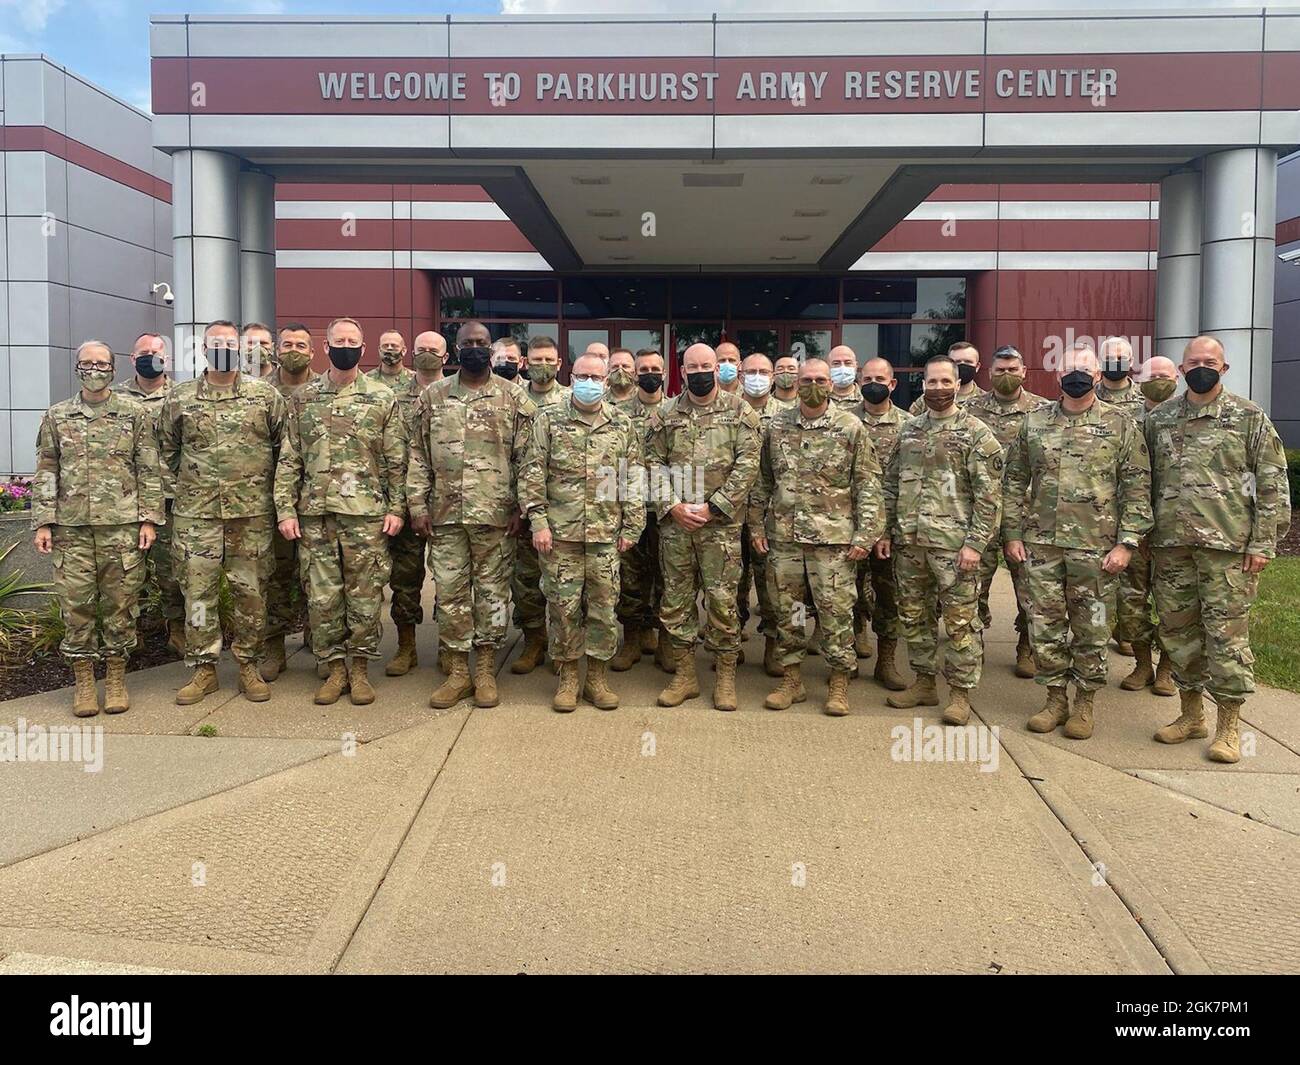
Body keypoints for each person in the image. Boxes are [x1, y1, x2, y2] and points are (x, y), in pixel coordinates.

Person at [1145, 336, 1291, 763]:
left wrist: (1263, 542)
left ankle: (1229, 724)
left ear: (1224, 369)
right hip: (1171, 547)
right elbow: (1142, 480)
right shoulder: (1161, 419)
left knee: (1226, 637)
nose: (1202, 367)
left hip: (1227, 549)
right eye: (1195, 362)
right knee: (1177, 632)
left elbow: (1271, 483)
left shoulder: (1248, 418)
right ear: (1181, 368)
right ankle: (1191, 715)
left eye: (1211, 361)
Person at [1002, 342, 1152, 739]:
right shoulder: (1034, 423)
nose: (1077, 377)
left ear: (1099, 376)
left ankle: (1084, 703)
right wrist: (1012, 533)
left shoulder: (1121, 425)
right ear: (1056, 377)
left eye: (1085, 370)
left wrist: (1127, 543)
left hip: (1097, 547)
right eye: (1069, 370)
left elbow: (1137, 487)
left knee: (1092, 629)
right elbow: (1014, 480)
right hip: (1042, 545)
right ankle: (1054, 699)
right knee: (1045, 627)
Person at [275, 317, 407, 706]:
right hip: (315, 514)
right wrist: (285, 510)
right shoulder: (303, 398)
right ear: (327, 347)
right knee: (322, 597)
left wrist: (397, 506)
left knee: (365, 595)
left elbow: (396, 459)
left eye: (353, 341)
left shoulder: (382, 397)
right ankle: (334, 669)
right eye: (339, 340)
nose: (345, 346)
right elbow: (290, 459)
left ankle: (361, 670)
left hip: (365, 515)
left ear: (363, 350)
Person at [409, 320, 537, 709]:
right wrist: (416, 504)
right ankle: (458, 671)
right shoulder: (432, 396)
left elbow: (528, 458)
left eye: (482, 343)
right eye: (469, 343)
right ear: (456, 348)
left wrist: (522, 507)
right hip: (445, 515)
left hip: (496, 517)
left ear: (492, 351)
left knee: (493, 595)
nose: (476, 348)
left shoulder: (514, 398)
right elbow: (416, 454)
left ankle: (484, 669)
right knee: (450, 594)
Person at [160, 320, 288, 705]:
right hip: (196, 517)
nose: (222, 349)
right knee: (198, 595)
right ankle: (203, 668)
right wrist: (173, 499)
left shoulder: (264, 397)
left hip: (251, 515)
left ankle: (248, 664)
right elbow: (164, 454)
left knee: (251, 593)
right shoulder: (180, 398)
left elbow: (285, 452)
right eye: (215, 343)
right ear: (202, 349)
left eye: (229, 343)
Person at [33, 340, 163, 716]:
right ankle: (85, 682)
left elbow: (148, 469)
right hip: (70, 530)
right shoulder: (57, 416)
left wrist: (148, 518)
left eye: (101, 363)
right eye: (87, 363)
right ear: (76, 368)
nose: (94, 369)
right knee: (76, 606)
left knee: (121, 604)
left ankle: (117, 677)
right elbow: (46, 470)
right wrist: (43, 521)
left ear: (113, 367)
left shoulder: (133, 413)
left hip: (121, 528)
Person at [750, 358, 883, 716]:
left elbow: (868, 484)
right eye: (806, 379)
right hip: (785, 539)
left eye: (820, 380)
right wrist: (756, 526)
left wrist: (865, 535)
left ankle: (839, 682)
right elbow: (763, 480)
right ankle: (792, 680)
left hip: (833, 542)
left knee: (835, 613)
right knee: (788, 612)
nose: (813, 385)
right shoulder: (777, 425)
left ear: (832, 384)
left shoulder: (850, 426)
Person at [881, 353, 1003, 725]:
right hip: (910, 543)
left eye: (945, 382)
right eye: (931, 382)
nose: (938, 389)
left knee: (960, 624)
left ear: (957, 383)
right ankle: (923, 682)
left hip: (955, 547)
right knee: (914, 617)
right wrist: (886, 530)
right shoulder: (909, 429)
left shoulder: (976, 433)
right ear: (922, 384)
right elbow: (890, 484)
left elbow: (989, 497)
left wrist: (975, 544)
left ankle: (960, 695)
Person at [520, 353, 645, 712]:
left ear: (606, 381)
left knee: (604, 610)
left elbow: (632, 478)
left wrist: (633, 526)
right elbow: (532, 473)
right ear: (570, 377)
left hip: (606, 534)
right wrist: (539, 523)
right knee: (563, 609)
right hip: (560, 536)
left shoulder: (621, 424)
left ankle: (597, 679)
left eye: (596, 376)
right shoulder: (549, 419)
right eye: (582, 376)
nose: (590, 382)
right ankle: (569, 676)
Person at [645, 343, 761, 710]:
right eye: (692, 367)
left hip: (720, 528)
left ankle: (725, 677)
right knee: (676, 602)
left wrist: (715, 508)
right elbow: (651, 463)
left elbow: (748, 465)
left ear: (718, 368)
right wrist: (672, 506)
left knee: (723, 602)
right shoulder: (665, 414)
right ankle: (685, 675)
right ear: (681, 370)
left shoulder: (740, 411)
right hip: (677, 527)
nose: (699, 372)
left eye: (706, 366)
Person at [966, 345, 1050, 678]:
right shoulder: (970, 410)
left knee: (1029, 585)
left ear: (1024, 371)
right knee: (974, 584)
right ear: (988, 372)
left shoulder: (1042, 411)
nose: (1006, 375)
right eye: (1000, 370)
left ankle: (1026, 645)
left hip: (1026, 514)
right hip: (981, 512)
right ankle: (974, 644)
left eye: (1013, 369)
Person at [114, 331, 184, 654]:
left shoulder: (181, 396)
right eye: (143, 351)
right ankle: (134, 634)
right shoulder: (115, 400)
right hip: (128, 501)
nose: (150, 356)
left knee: (173, 572)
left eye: (156, 352)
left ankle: (178, 628)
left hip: (171, 499)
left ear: (166, 358)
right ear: (132, 359)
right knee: (128, 574)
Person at [259, 322, 322, 681]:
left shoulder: (324, 390)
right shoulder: (259, 391)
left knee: (317, 576)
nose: (293, 349)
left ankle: (319, 639)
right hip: (270, 497)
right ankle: (274, 649)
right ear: (276, 350)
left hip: (317, 498)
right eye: (287, 344)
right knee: (277, 576)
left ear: (313, 351)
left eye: (301, 344)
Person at [381, 330, 446, 679]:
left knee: (449, 579)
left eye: (433, 351)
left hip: (447, 502)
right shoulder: (390, 393)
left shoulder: (454, 393)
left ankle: (447, 645)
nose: (426, 355)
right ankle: (406, 647)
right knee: (405, 578)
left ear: (444, 357)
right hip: (402, 500)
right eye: (420, 350)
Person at [1117, 355, 1180, 696]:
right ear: (1139, 379)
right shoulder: (1125, 420)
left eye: (1164, 375)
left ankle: (1167, 670)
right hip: (1133, 529)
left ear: (1177, 378)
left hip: (1178, 531)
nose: (1158, 380)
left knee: (1173, 605)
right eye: (1151, 375)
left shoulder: (1187, 419)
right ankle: (1142, 664)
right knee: (1131, 602)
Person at [509, 335, 568, 675]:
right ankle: (534, 641)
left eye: (549, 359)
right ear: (525, 362)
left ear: (559, 364)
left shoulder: (571, 400)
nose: (542, 365)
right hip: (520, 508)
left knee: (562, 585)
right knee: (526, 581)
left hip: (561, 511)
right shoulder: (512, 398)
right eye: (536, 359)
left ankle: (563, 646)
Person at [610, 348, 670, 672]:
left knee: (667, 577)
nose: (649, 372)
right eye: (643, 367)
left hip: (664, 508)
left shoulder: (675, 411)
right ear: (635, 373)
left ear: (664, 372)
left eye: (654, 368)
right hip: (627, 504)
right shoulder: (617, 412)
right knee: (631, 578)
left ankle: (665, 643)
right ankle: (632, 638)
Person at [854, 356, 909, 690]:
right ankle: (848, 649)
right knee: (846, 593)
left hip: (892, 529)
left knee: (890, 596)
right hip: (849, 526)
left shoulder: (910, 425)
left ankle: (885, 661)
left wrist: (884, 529)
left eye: (880, 378)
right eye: (867, 378)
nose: (873, 383)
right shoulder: (844, 422)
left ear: (892, 384)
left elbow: (909, 481)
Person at [736, 352, 792, 676]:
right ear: (741, 375)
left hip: (772, 518)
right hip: (729, 513)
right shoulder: (729, 412)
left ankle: (774, 646)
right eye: (751, 371)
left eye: (763, 371)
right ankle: (732, 643)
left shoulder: (787, 416)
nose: (757, 376)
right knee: (731, 585)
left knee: (772, 585)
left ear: (773, 377)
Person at [910, 341, 985, 413]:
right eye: (957, 362)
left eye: (968, 362)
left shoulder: (986, 400)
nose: (962, 365)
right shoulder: (929, 398)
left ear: (977, 367)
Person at [1096, 335, 1145, 418]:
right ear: (1100, 361)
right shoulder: (1089, 396)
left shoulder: (1145, 395)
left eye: (1121, 358)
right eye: (1109, 358)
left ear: (1131, 361)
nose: (1115, 362)